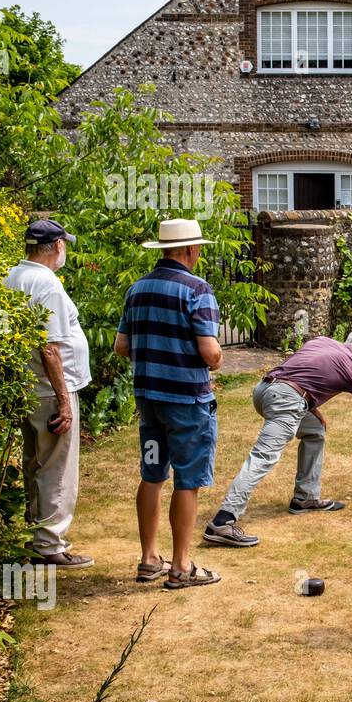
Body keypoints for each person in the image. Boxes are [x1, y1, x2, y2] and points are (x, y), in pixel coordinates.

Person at [204, 329, 352, 545]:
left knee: (315, 430)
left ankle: (305, 497)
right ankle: (223, 521)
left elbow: (303, 373)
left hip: (264, 389)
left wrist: (312, 410)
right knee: (263, 457)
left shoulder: (322, 341)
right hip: (286, 400)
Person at [114, 218, 223, 590]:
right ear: (192, 250)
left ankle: (148, 559)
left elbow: (121, 347)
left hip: (148, 399)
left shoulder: (137, 289)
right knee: (188, 481)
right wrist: (217, 358)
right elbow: (210, 352)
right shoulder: (198, 290)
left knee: (152, 474)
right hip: (187, 400)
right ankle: (181, 566)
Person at [3, 219, 94, 569]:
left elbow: (3, 331)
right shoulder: (48, 284)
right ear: (56, 246)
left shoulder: (11, 277)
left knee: (36, 461)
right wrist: (62, 400)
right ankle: (50, 543)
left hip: (25, 386)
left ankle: (36, 533)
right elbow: (50, 348)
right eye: (64, 244)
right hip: (51, 389)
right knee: (58, 467)